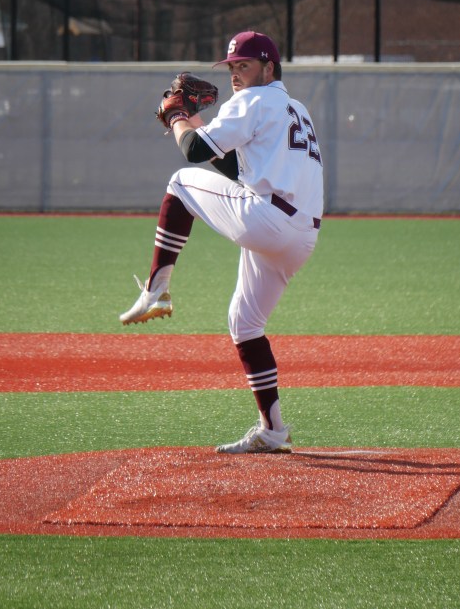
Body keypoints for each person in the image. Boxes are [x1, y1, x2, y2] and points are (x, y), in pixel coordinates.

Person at [119, 30, 324, 453]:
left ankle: (157, 289)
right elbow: (234, 167)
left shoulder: (253, 100)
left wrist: (178, 118)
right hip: (301, 235)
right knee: (245, 324)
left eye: (243, 66)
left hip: (266, 218)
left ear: (269, 67)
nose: (234, 74)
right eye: (231, 67)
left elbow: (193, 152)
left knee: (180, 183)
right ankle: (273, 430)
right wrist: (193, 124)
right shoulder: (294, 108)